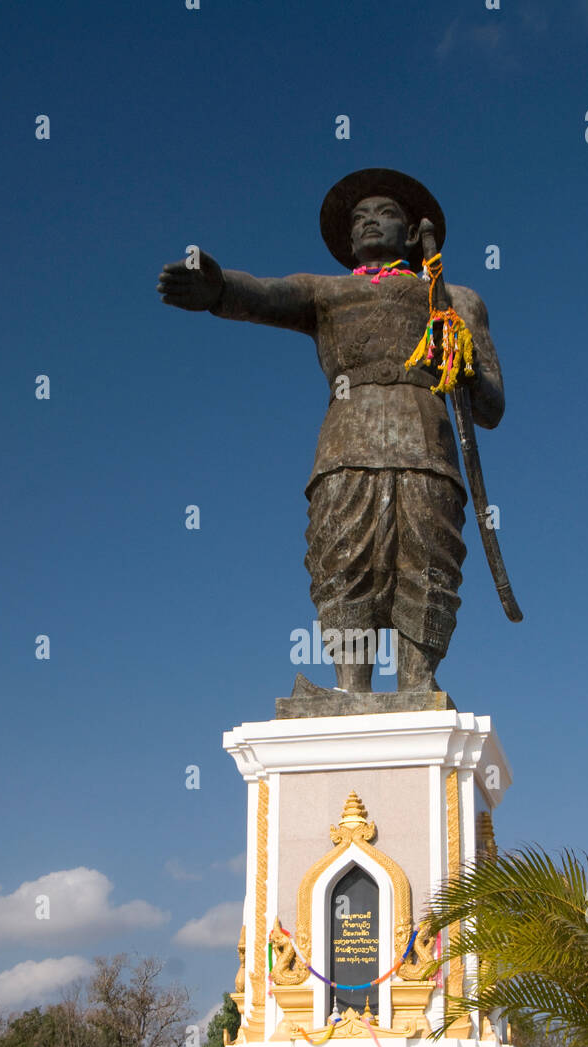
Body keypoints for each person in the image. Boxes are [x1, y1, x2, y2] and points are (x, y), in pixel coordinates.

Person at [158, 169, 504, 692]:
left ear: (413, 234)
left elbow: (491, 406)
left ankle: (416, 684)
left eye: (384, 213)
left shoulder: (456, 300)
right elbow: (265, 295)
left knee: (427, 558)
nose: (369, 223)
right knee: (344, 558)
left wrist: (460, 355)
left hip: (425, 443)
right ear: (347, 241)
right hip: (346, 443)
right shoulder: (326, 293)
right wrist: (219, 288)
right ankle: (352, 689)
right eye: (359, 218)